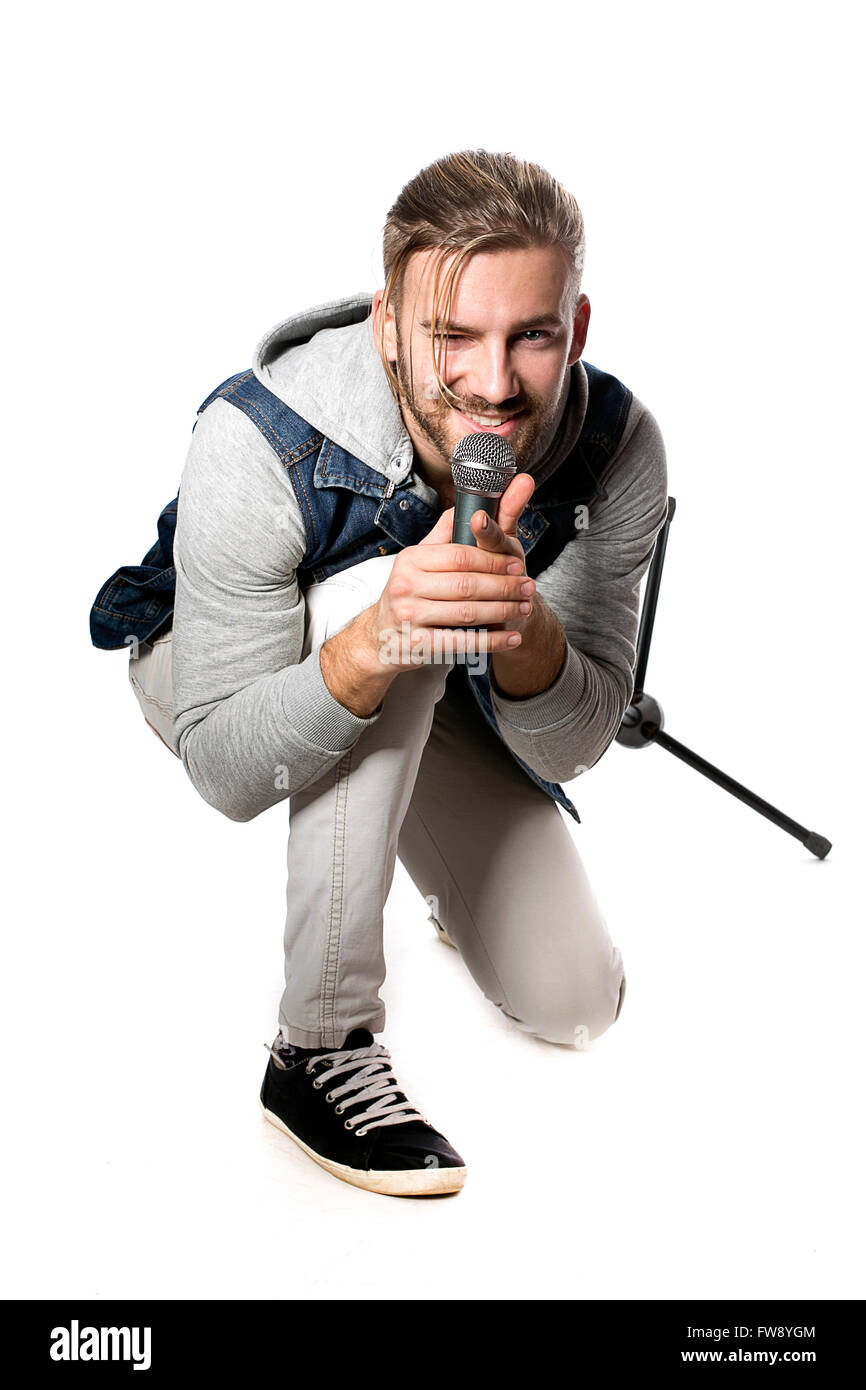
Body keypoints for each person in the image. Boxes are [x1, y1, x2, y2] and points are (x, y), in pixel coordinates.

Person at [123, 149, 668, 1198]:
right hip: (218, 669)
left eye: (532, 336)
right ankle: (317, 1049)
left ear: (578, 330)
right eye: (450, 336)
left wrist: (517, 627)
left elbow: (567, 742)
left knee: (575, 1000)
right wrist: (383, 632)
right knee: (379, 601)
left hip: (426, 682)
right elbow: (228, 773)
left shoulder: (616, 448)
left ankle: (426, 834)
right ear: (387, 325)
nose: (493, 382)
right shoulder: (254, 436)